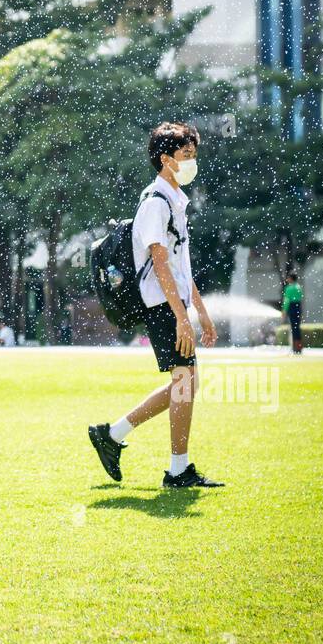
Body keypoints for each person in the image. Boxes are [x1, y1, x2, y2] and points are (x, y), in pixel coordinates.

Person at [88, 122, 223, 489]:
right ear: (166, 159)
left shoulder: (175, 201)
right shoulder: (155, 202)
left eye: (194, 154)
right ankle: (176, 470)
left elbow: (182, 267)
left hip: (173, 304)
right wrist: (181, 317)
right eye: (186, 155)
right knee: (185, 383)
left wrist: (201, 312)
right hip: (162, 305)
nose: (192, 161)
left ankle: (112, 435)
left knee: (185, 383)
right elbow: (160, 262)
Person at [283, 272, 304, 354]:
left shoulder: (289, 288)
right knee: (297, 327)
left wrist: (284, 311)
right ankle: (299, 347)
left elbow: (287, 300)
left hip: (292, 307)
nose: (287, 279)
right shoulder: (299, 287)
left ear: (291, 279)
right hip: (298, 307)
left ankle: (295, 347)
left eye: (288, 278)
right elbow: (300, 298)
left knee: (293, 327)